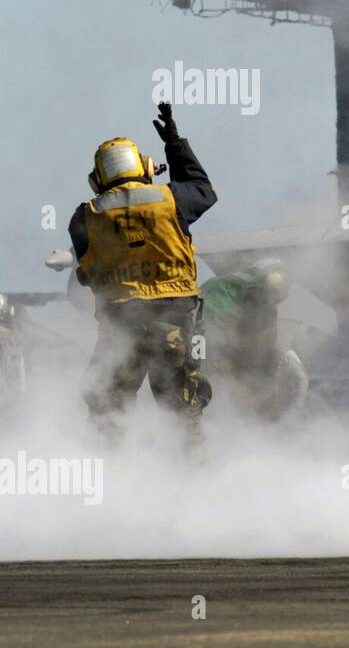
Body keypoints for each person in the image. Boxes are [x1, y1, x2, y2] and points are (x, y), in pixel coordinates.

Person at [70, 103, 217, 447]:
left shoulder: (84, 217)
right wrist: (175, 143)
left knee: (107, 412)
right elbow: (202, 189)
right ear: (143, 167)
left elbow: (86, 273)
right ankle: (191, 487)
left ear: (97, 180)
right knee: (183, 414)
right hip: (176, 322)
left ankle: (106, 485)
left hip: (121, 327)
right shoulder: (171, 198)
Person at [201, 257, 308, 420]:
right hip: (216, 344)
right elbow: (261, 343)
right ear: (274, 278)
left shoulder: (224, 283)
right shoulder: (259, 292)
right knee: (239, 395)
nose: (288, 288)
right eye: (286, 281)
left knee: (198, 397)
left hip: (191, 339)